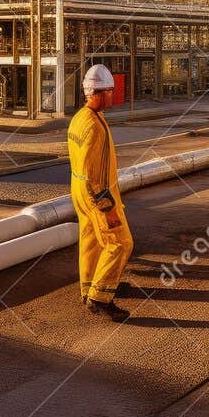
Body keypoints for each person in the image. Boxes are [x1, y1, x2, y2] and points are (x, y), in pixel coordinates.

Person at [67, 63, 133, 322]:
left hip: (79, 191)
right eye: (110, 91)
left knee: (91, 240)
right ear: (99, 92)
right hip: (98, 195)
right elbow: (93, 174)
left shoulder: (80, 118)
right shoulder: (94, 127)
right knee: (120, 242)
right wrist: (107, 206)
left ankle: (91, 285)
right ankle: (100, 296)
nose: (113, 96)